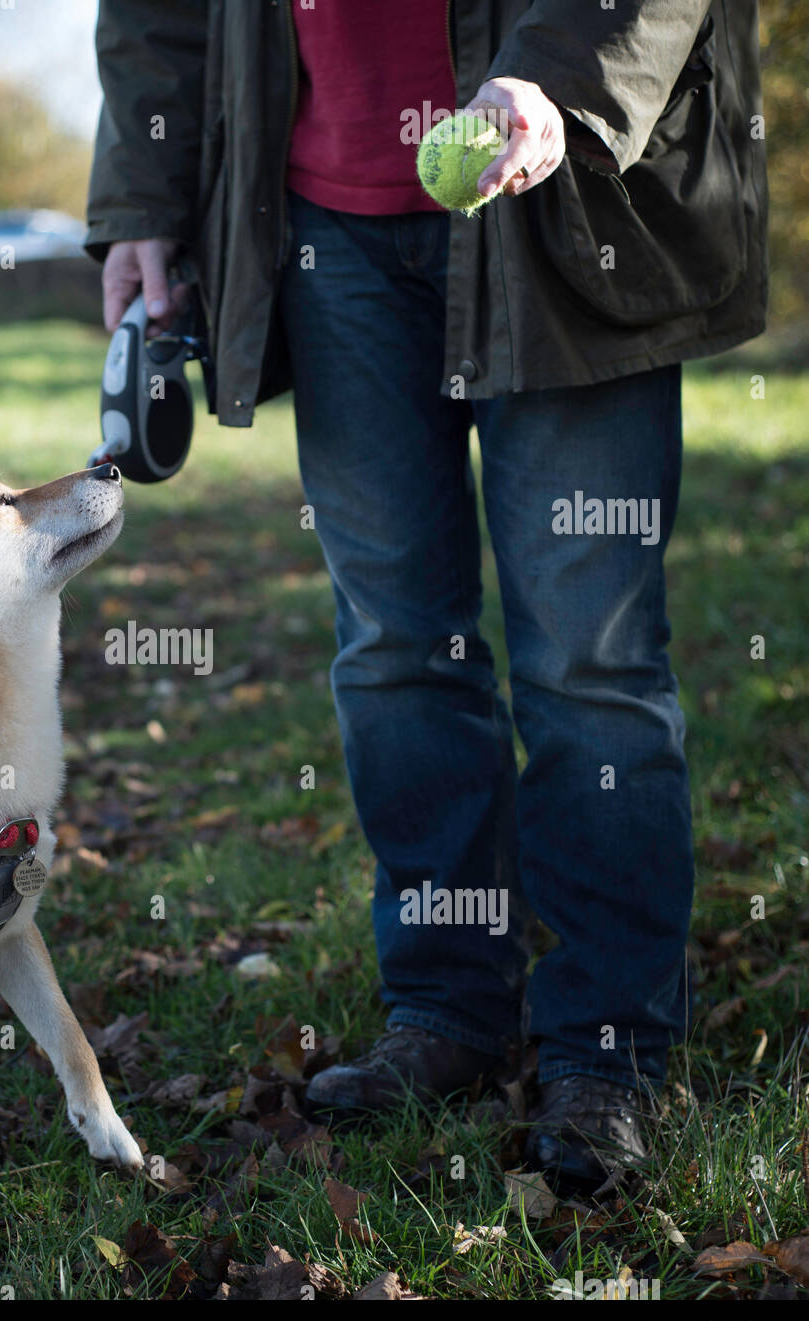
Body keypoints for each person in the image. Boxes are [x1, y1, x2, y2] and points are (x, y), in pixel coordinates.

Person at [85, 1, 767, 1191]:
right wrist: (143, 201)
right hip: (325, 222)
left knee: (588, 661)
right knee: (398, 646)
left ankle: (607, 1046)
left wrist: (558, 79)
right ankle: (448, 1007)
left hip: (568, 190)